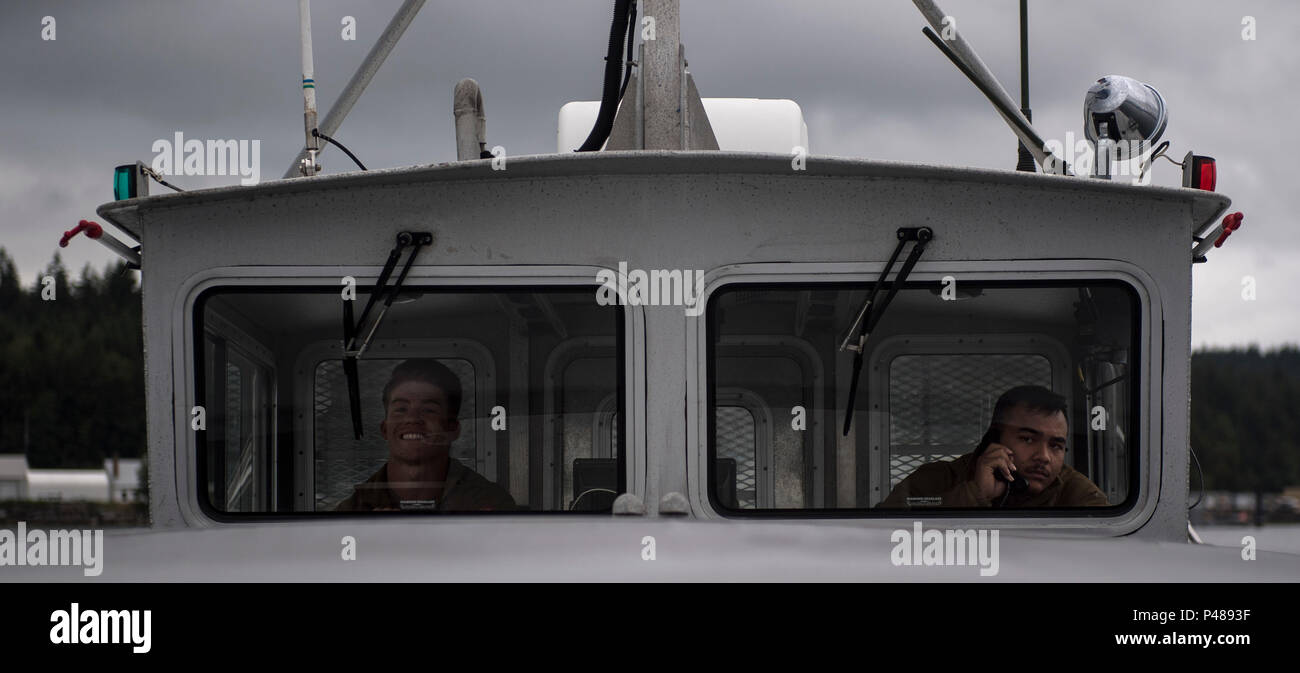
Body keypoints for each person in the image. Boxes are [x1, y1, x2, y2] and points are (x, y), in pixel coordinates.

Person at [878, 385, 1109, 508]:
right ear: (994, 439)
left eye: (1056, 445)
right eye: (1028, 439)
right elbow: (881, 539)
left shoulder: (1077, 493)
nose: (1044, 457)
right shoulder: (938, 480)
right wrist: (975, 494)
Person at [334, 358, 516, 512]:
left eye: (429, 410)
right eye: (401, 409)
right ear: (384, 429)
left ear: (453, 428)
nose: (412, 419)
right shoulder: (352, 510)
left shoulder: (491, 505)